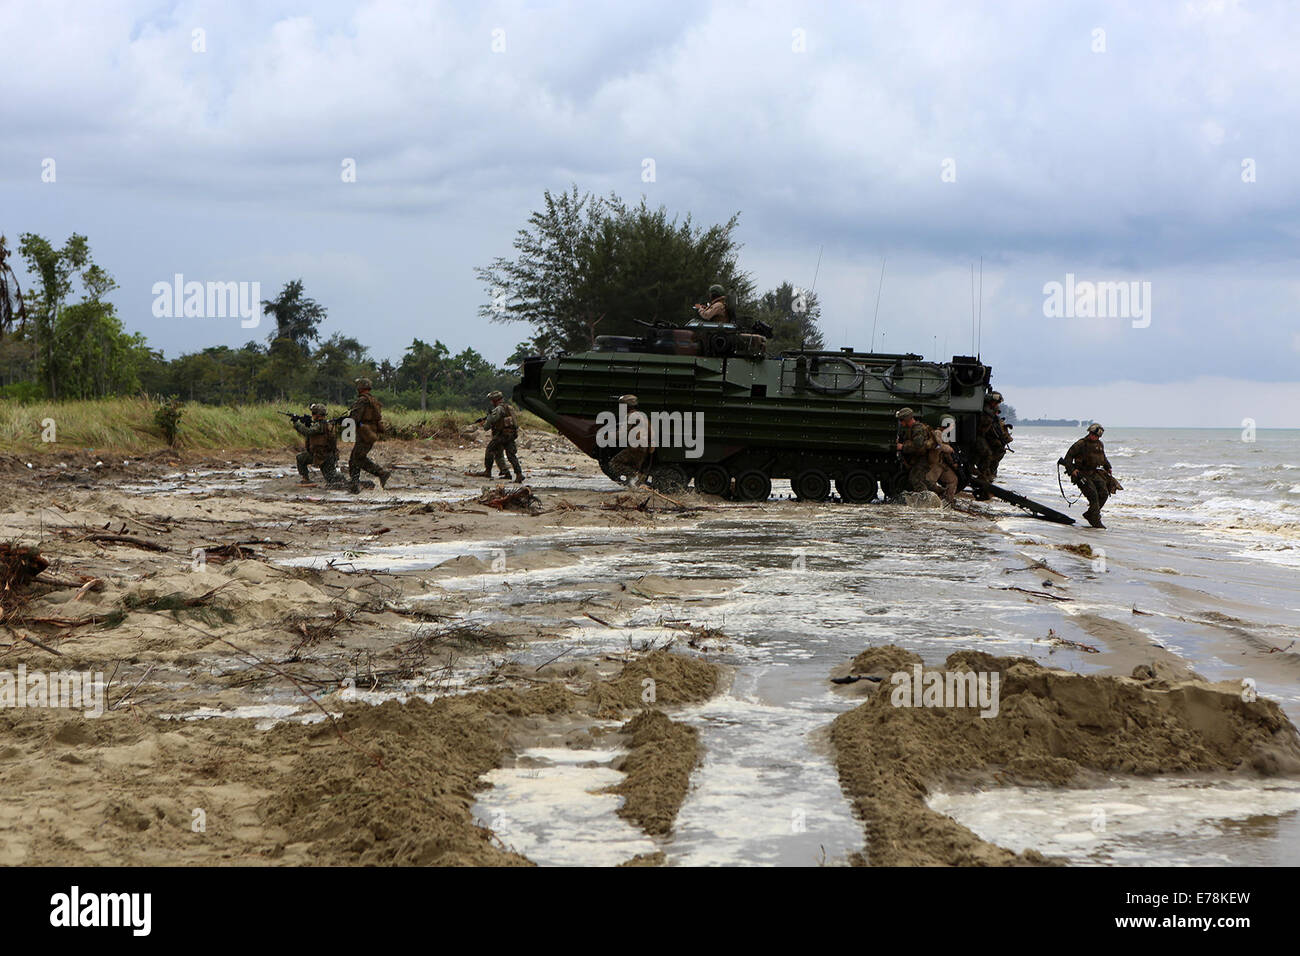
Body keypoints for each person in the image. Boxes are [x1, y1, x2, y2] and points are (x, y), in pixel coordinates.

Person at [1062, 423, 1118, 528]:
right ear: (1089, 433)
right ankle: (1095, 519)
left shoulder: (1100, 444)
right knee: (1093, 495)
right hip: (1081, 473)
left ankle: (1090, 514)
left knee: (1104, 493)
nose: (1094, 437)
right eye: (1093, 434)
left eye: (1097, 436)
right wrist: (1072, 470)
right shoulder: (1080, 444)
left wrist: (1108, 467)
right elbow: (1068, 458)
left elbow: (1103, 458)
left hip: (1094, 473)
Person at [346, 377, 391, 495]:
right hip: (370, 432)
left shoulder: (362, 400)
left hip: (364, 433)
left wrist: (345, 421)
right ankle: (354, 484)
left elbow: (355, 418)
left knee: (357, 458)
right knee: (356, 458)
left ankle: (380, 473)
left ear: (360, 388)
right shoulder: (373, 400)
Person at [609, 394, 654, 486]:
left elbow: (622, 434)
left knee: (614, 463)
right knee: (632, 468)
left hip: (635, 448)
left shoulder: (630, 416)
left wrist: (608, 436)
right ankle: (635, 485)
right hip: (644, 448)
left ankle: (638, 476)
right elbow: (651, 432)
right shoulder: (642, 415)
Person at [480, 390, 524, 482]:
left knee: (490, 450)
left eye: (492, 400)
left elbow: (489, 424)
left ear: (494, 400)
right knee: (511, 455)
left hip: (502, 435)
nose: (491, 402)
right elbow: (515, 424)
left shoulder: (498, 409)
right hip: (511, 435)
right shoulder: (509, 407)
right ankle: (518, 474)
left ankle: (488, 471)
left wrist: (484, 424)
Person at [294, 403, 341, 485]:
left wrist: (296, 423)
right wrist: (307, 424)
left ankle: (346, 480)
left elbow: (308, 432)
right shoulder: (324, 424)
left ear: (317, 415)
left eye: (313, 413)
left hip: (322, 455)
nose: (312, 415)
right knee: (300, 458)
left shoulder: (320, 425)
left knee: (332, 479)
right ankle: (305, 479)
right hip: (322, 454)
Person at [895, 407, 936, 494]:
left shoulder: (918, 429)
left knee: (915, 479)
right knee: (922, 480)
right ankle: (940, 493)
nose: (900, 422)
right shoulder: (912, 428)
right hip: (918, 459)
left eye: (901, 420)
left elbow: (918, 447)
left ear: (906, 419)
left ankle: (927, 501)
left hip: (923, 459)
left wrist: (902, 447)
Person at [927, 424, 959, 504]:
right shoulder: (937, 433)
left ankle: (948, 501)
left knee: (953, 480)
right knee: (930, 484)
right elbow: (938, 446)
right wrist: (949, 449)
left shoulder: (945, 435)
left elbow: (946, 454)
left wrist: (953, 462)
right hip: (933, 464)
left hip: (941, 464)